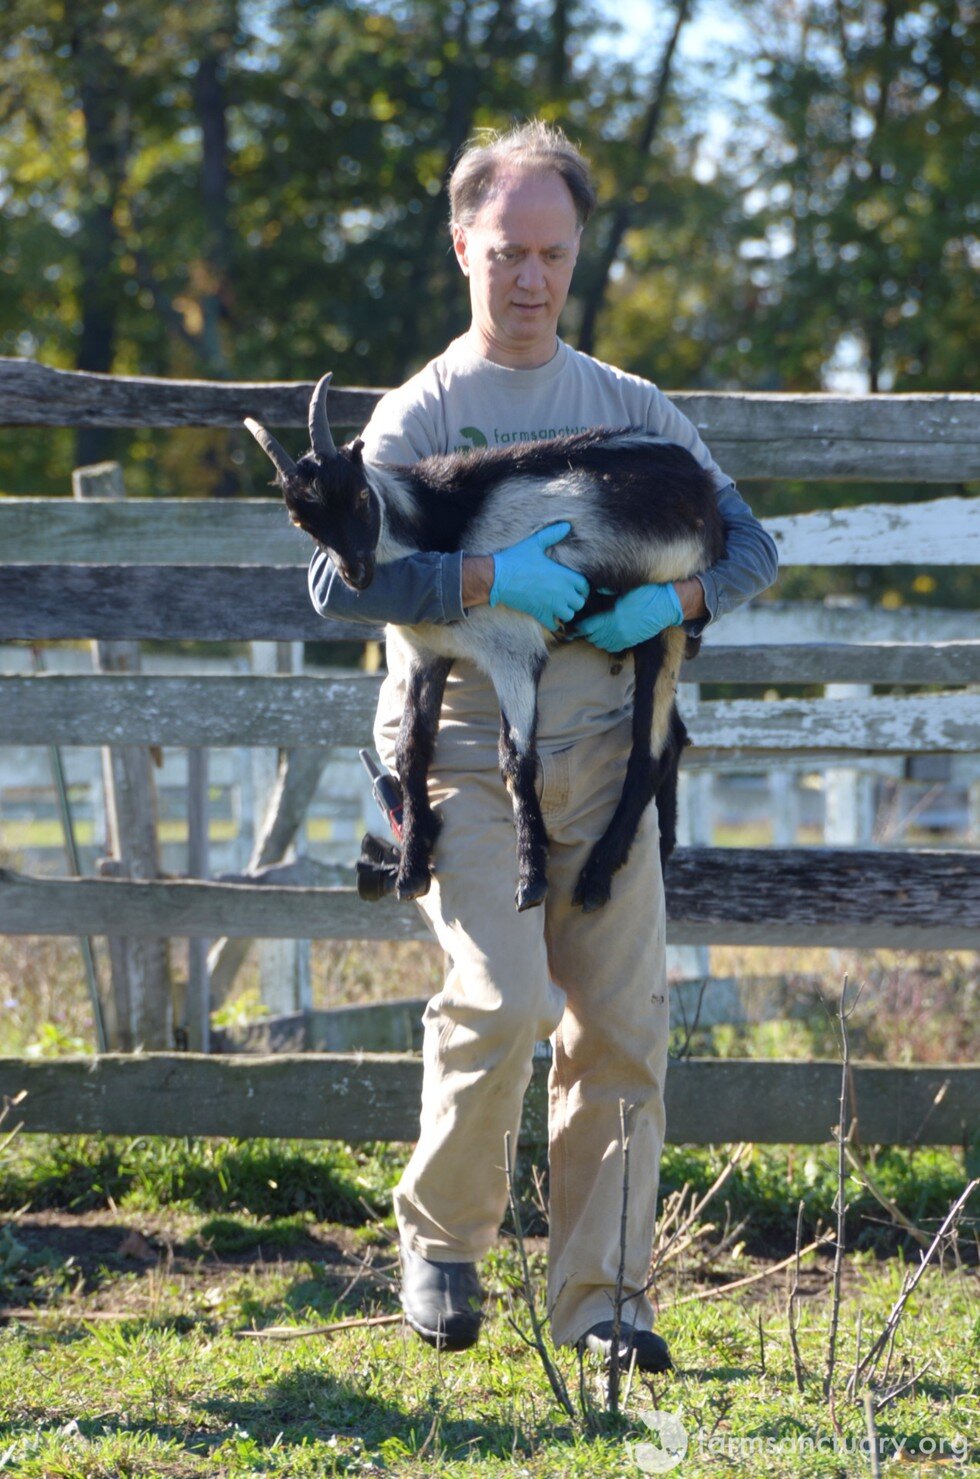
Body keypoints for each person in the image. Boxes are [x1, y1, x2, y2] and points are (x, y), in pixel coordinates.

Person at [309, 121, 778, 1370]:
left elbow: (750, 547)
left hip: (613, 750)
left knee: (621, 1026)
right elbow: (339, 582)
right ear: (462, 245)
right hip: (465, 747)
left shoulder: (629, 407)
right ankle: (440, 1239)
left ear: (575, 255)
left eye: (551, 253)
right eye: (506, 250)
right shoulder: (418, 414)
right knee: (501, 995)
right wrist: (479, 578)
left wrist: (672, 602)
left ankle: (604, 1304)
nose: (529, 277)